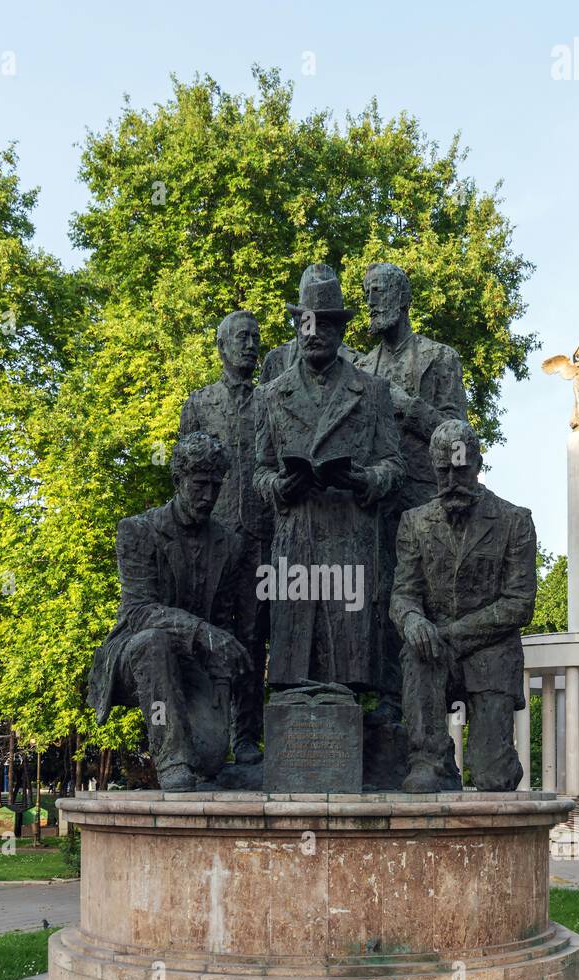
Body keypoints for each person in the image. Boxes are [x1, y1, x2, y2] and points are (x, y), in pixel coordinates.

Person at [254, 269, 404, 691]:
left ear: (340, 329)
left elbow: (394, 464)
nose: (313, 333)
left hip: (350, 539)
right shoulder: (271, 395)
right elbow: (259, 471)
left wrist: (363, 480)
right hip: (295, 541)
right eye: (305, 324)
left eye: (323, 324)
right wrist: (278, 487)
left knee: (348, 673)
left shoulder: (373, 391)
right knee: (292, 671)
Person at [87, 433, 252, 790]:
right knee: (154, 641)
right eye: (199, 485)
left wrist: (222, 687)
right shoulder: (138, 530)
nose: (208, 496)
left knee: (210, 757)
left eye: (215, 486)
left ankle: (192, 756)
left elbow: (223, 621)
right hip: (136, 654)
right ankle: (171, 760)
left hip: (194, 662)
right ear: (178, 481)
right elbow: (139, 610)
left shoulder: (229, 544)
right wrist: (202, 632)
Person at [390, 418, 537, 792]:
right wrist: (411, 621)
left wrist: (453, 633)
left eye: (461, 470)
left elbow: (519, 603)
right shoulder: (414, 523)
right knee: (416, 651)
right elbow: (403, 593)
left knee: (493, 778)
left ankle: (497, 758)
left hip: (490, 653)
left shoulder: (515, 521)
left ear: (478, 463)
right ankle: (429, 758)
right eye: (444, 473)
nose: (453, 481)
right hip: (434, 652)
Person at [358, 262, 469, 723]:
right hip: (376, 505)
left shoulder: (439, 358)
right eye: (366, 295)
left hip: (426, 500)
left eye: (379, 293)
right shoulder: (360, 368)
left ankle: (427, 705)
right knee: (380, 597)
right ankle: (387, 699)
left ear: (403, 299)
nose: (371, 303)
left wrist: (409, 408)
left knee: (427, 600)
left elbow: (459, 436)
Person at [180, 311, 270, 764]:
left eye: (256, 338)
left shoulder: (270, 400)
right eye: (242, 338)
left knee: (254, 636)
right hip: (212, 542)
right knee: (210, 634)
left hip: (260, 540)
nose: (251, 345)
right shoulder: (199, 404)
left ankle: (247, 738)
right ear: (221, 346)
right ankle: (207, 736)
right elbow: (184, 475)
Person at [259, 264, 362, 384]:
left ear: (340, 328)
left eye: (322, 324)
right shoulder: (276, 359)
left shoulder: (357, 360)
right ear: (297, 323)